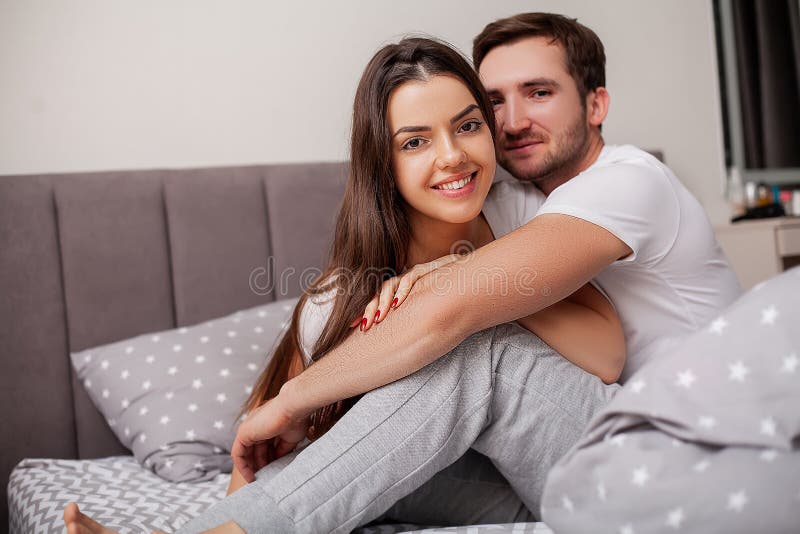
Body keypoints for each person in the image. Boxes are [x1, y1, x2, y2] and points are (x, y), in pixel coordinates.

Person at [194, 12, 739, 533]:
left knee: (476, 343)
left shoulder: (611, 188)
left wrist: (454, 276)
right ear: (383, 160)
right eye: (495, 102)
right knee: (341, 456)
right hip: (536, 468)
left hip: (675, 459)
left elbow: (587, 348)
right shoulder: (499, 203)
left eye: (539, 92)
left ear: (597, 104)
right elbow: (278, 433)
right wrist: (281, 425)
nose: (511, 121)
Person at [64, 35, 626, 534]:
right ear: (383, 162)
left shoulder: (528, 213)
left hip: (584, 452)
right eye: (415, 142)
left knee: (474, 342)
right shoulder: (336, 300)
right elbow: (261, 455)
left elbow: (607, 355)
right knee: (322, 460)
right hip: (505, 491)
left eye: (468, 125)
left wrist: (470, 282)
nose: (453, 157)